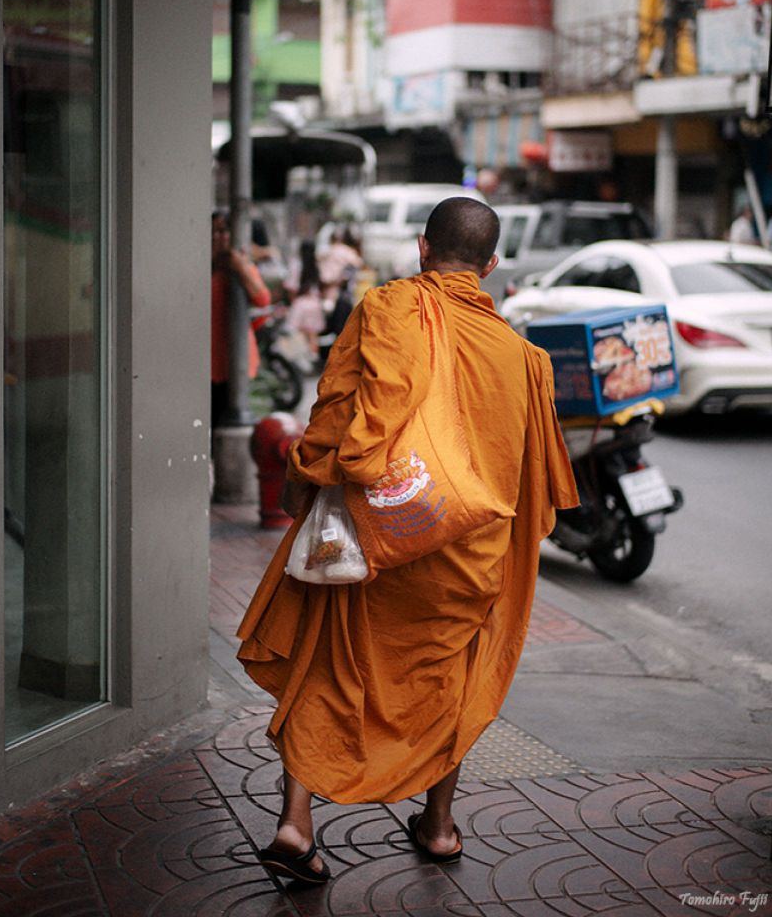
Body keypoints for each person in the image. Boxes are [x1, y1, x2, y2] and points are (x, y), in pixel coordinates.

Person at [237, 197, 578, 884]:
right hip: (467, 557)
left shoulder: (388, 307)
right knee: (452, 680)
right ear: (491, 265)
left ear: (423, 248)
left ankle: (295, 827)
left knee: (329, 666)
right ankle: (439, 825)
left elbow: (339, 412)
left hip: (377, 538)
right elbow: (532, 476)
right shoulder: (522, 358)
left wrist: (301, 481)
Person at [211, 212, 271, 435]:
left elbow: (262, 299)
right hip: (206, 359)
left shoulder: (242, 267)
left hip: (234, 358)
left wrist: (239, 266)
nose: (219, 237)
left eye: (224, 231)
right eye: (214, 231)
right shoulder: (202, 267)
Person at [283, 239, 325, 361]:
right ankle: (313, 360)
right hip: (315, 303)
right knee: (312, 335)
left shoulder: (297, 265)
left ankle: (301, 361)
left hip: (300, 303)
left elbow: (291, 287)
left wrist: (292, 302)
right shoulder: (316, 265)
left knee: (298, 335)